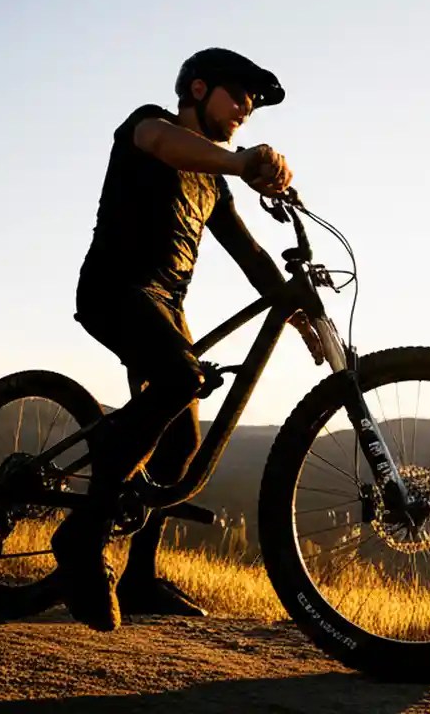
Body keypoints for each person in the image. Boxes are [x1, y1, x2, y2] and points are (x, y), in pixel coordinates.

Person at [51, 47, 324, 632]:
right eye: (238, 94)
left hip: (166, 309)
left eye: (253, 102)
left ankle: (139, 578)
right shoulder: (150, 124)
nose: (247, 107)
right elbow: (164, 145)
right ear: (198, 90)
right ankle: (83, 533)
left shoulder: (213, 183)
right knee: (181, 378)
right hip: (116, 289)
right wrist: (242, 161)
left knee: (179, 446)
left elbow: (252, 257)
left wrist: (303, 318)